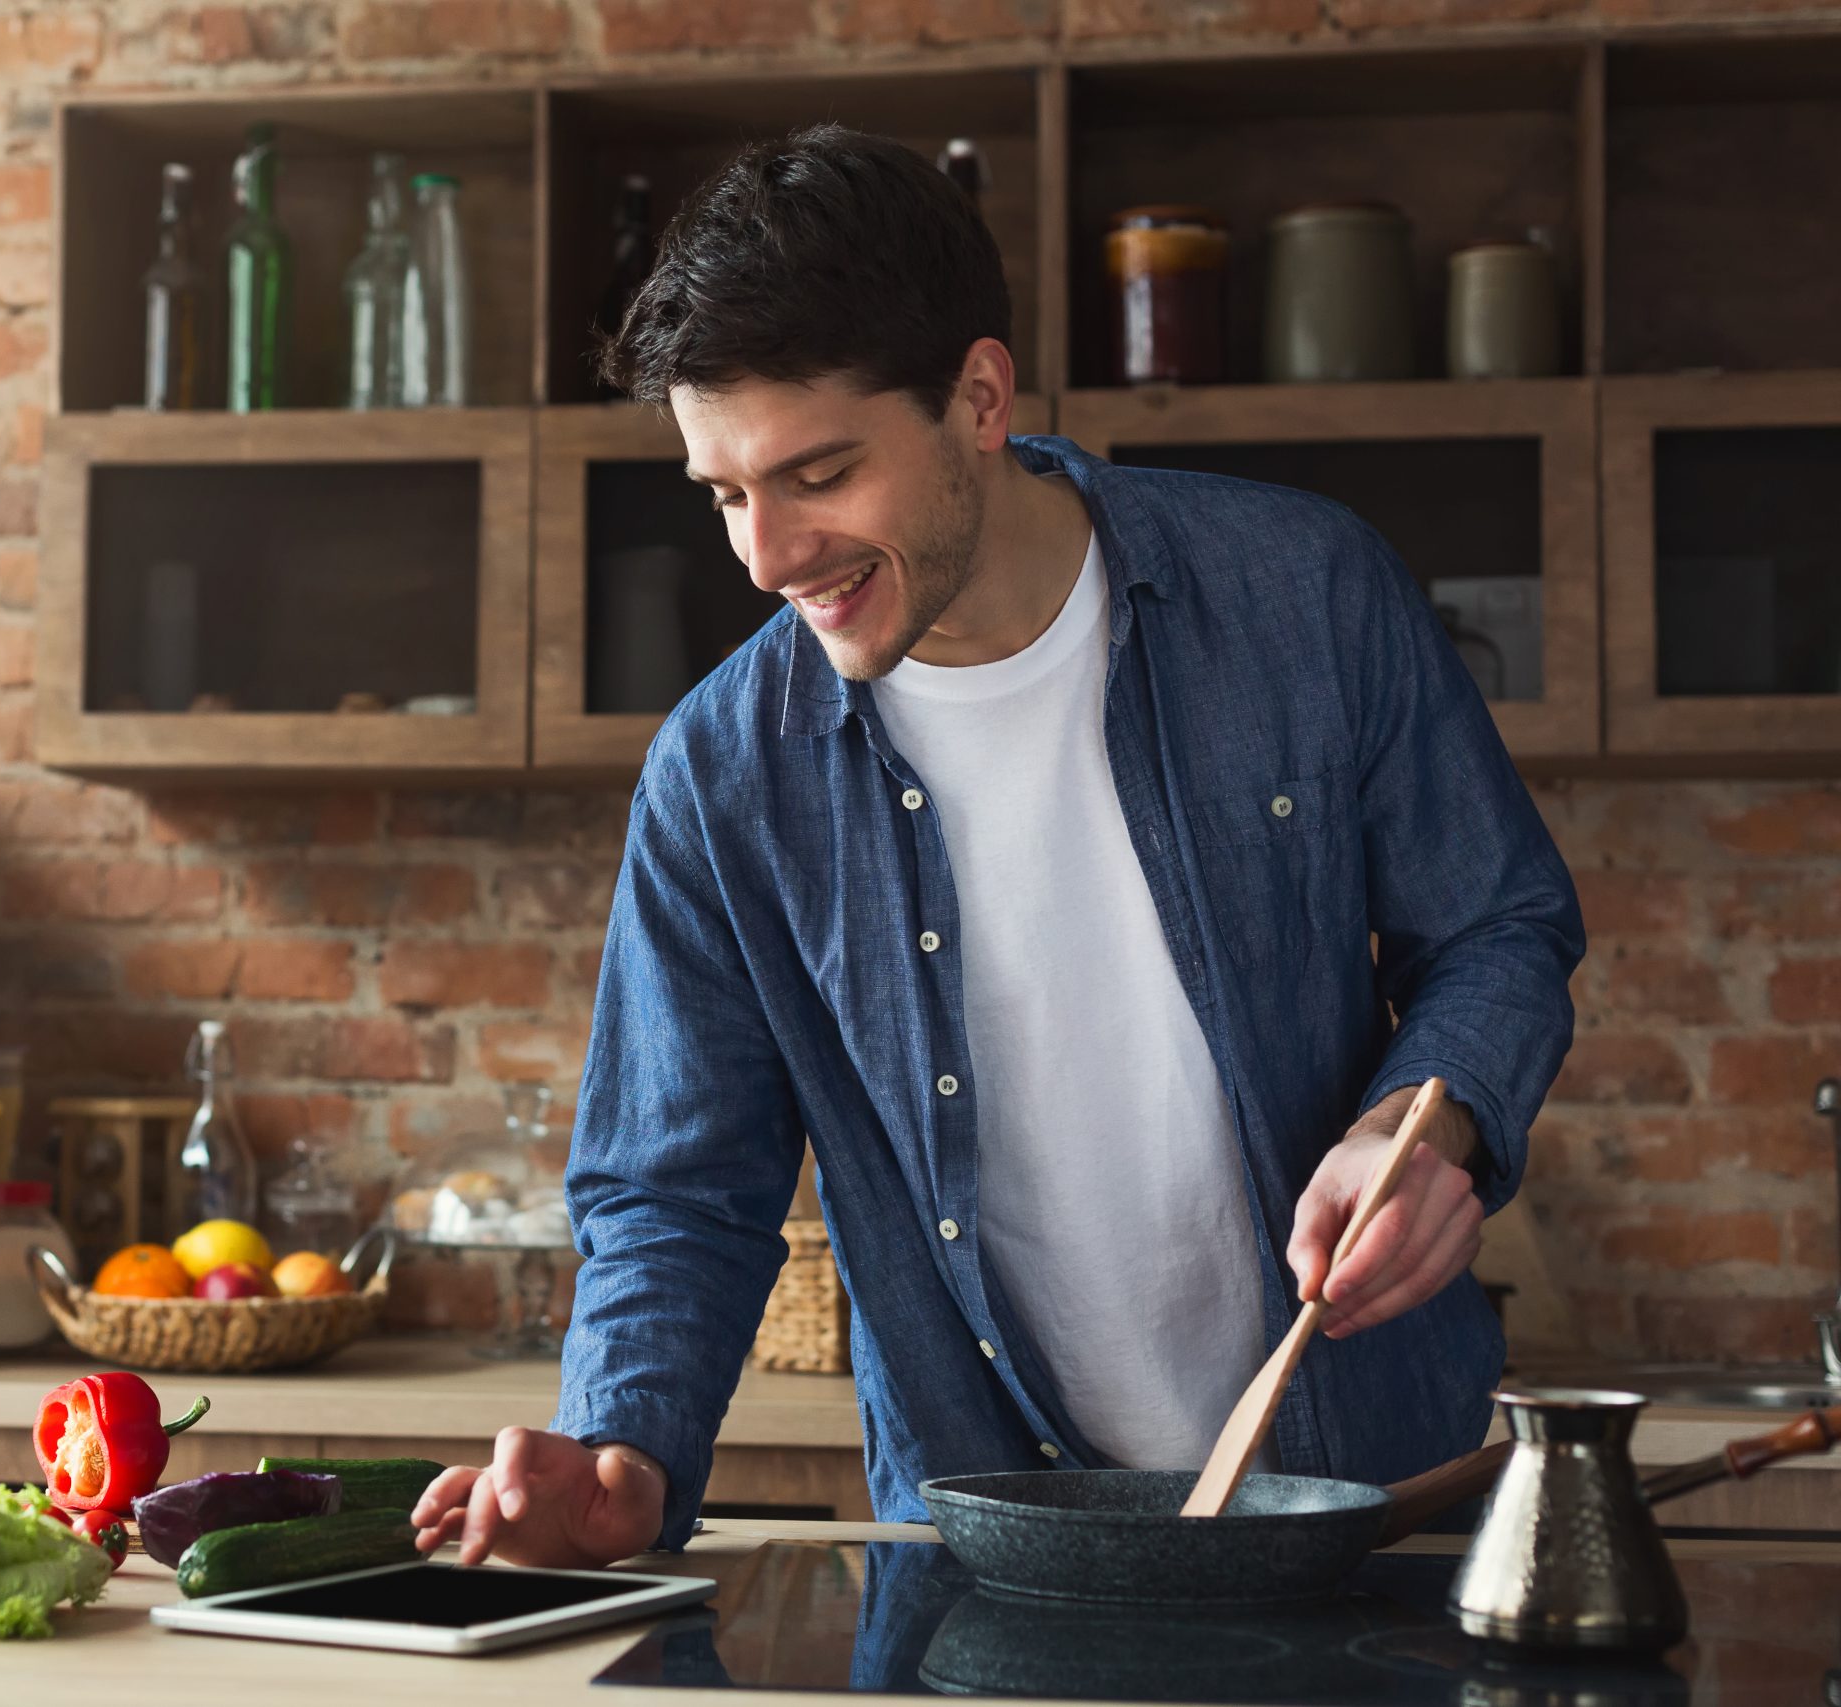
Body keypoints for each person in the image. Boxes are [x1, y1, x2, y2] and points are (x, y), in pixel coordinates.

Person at [412, 125, 1582, 1568]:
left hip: (1380, 1513)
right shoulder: (721, 774)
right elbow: (673, 1187)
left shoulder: (1305, 594)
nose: (769, 558)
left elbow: (1499, 929)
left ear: (977, 397)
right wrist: (623, 1457)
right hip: (997, 1551)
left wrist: (1423, 1123)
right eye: (724, 494)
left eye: (819, 474)